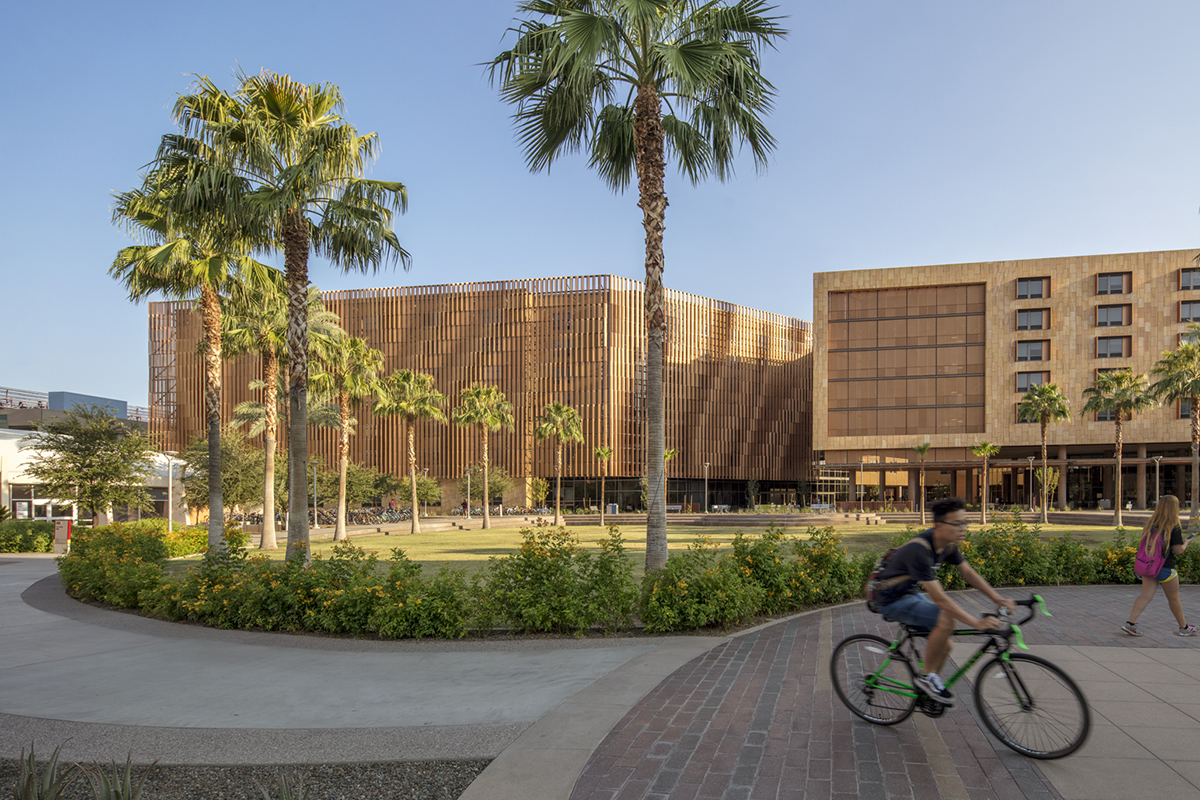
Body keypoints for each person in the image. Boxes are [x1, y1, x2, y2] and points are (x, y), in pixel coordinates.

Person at [873, 496, 1016, 706]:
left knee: (946, 645)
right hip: (891, 600)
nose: (963, 528)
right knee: (946, 619)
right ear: (939, 526)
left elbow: (967, 572)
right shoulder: (919, 550)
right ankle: (925, 677)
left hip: (908, 593)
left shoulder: (947, 546)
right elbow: (939, 598)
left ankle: (929, 686)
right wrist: (977, 623)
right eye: (957, 523)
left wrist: (998, 598)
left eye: (965, 522)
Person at [1122, 494, 1196, 637]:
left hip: (1149, 566)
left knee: (1145, 595)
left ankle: (1130, 623)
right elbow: (1178, 550)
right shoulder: (1173, 526)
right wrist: (1186, 542)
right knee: (1174, 598)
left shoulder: (1151, 524)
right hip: (1165, 568)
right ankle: (1184, 627)